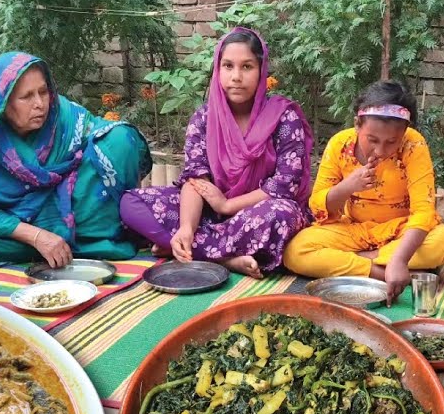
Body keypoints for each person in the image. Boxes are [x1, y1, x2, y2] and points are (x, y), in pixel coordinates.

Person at [119, 28, 313, 278]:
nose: (236, 77)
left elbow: (285, 185)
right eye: (228, 66)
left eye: (247, 67)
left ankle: (182, 248)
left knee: (281, 216)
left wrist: (228, 204)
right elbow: (196, 179)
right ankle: (224, 257)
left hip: (259, 209)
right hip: (210, 214)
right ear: (217, 70)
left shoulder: (284, 117)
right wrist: (187, 227)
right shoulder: (204, 118)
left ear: (261, 70)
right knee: (131, 203)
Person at [0, 52, 151, 268]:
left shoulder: (60, 113)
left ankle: (75, 238)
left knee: (119, 138)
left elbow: (99, 132)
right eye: (26, 96)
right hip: (17, 220)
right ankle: (69, 242)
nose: (40, 104)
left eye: (43, 92)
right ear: (2, 103)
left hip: (69, 202)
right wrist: (37, 237)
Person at [283, 80, 444, 303]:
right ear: (357, 124)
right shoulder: (339, 144)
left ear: (404, 132)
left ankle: (359, 262)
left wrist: (400, 258)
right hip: (353, 230)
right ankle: (378, 272)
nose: (381, 150)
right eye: (372, 140)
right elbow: (316, 204)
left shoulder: (413, 144)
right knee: (296, 251)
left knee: (443, 240)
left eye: (391, 142)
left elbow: (424, 211)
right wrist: (347, 187)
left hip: (399, 230)